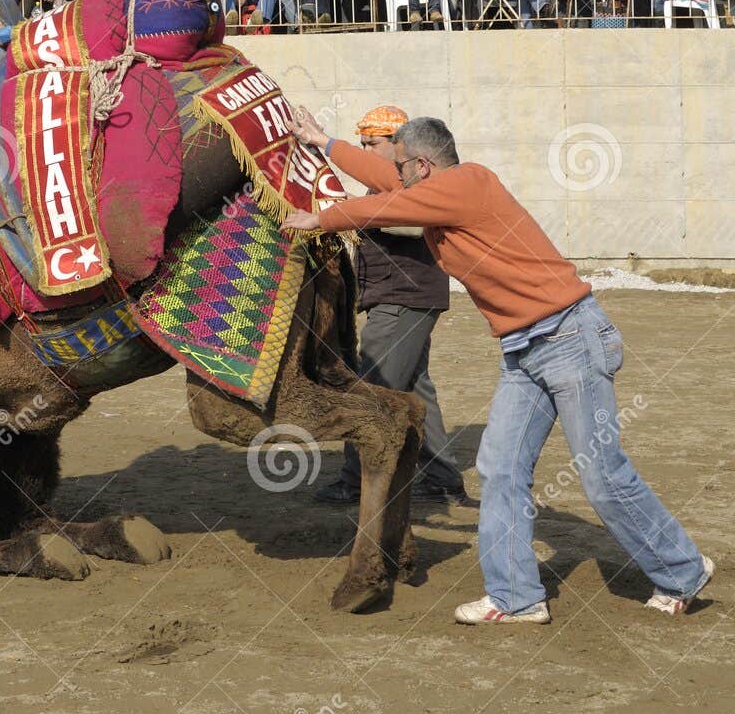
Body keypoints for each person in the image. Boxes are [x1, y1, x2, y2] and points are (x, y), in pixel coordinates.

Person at [285, 116, 712, 624]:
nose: (393, 173)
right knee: (500, 469)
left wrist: (321, 217)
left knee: (600, 473)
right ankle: (516, 597)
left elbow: (387, 202)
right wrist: (323, 142)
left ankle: (682, 570)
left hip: (569, 338)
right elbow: (385, 185)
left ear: (424, 165)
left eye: (400, 165)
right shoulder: (438, 190)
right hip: (524, 349)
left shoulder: (467, 183)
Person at [298, 105, 464, 503]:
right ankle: (442, 477)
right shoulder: (390, 187)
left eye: (373, 143)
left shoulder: (415, 189)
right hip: (407, 298)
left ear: (399, 146)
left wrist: (345, 214)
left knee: (371, 386)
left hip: (403, 299)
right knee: (417, 389)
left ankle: (356, 481)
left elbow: (408, 222)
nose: (367, 150)